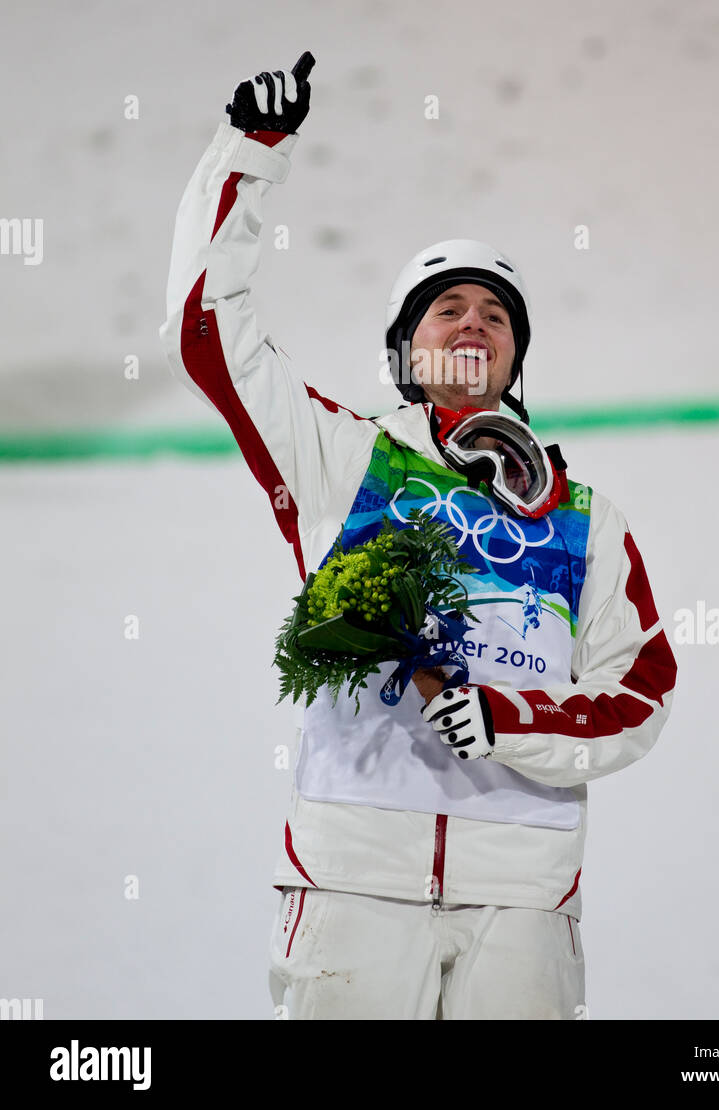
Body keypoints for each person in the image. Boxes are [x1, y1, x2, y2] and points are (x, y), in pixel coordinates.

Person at [159, 60, 677, 1021]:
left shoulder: (587, 518)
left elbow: (641, 696)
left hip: (523, 898)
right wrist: (249, 156)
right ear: (405, 353)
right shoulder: (343, 461)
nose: (475, 322)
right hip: (352, 880)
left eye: (496, 316)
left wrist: (513, 718)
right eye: (448, 309)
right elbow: (205, 330)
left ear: (517, 359)